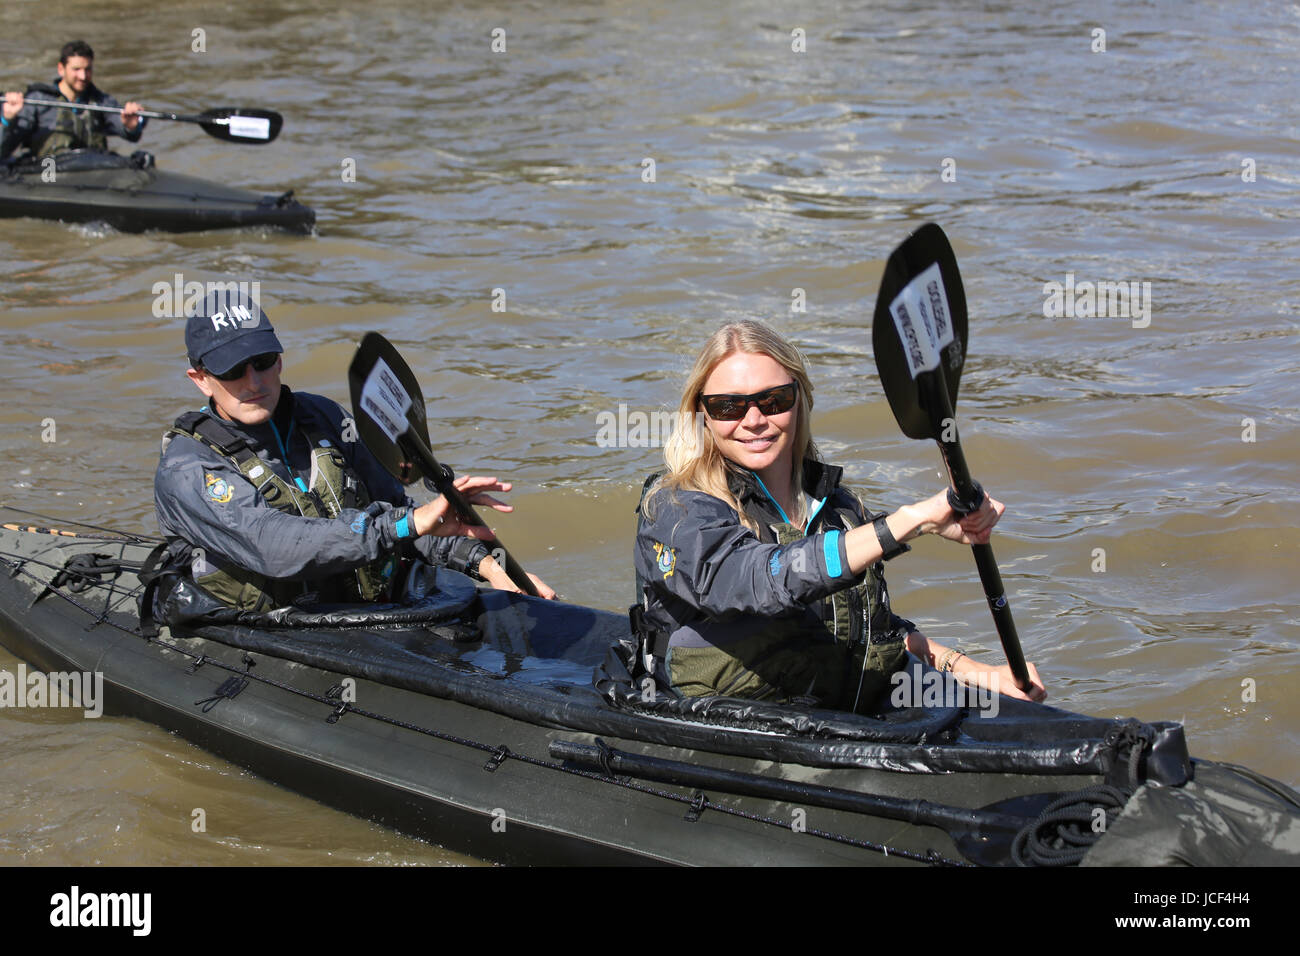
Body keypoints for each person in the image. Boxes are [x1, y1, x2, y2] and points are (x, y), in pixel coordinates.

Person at [634, 320, 1045, 713]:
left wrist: (980, 674)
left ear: (800, 400)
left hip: (827, 718)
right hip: (713, 727)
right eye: (728, 407)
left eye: (773, 400)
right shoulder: (675, 508)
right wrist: (909, 522)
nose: (754, 419)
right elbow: (756, 580)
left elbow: (872, 632)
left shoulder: (839, 509)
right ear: (701, 414)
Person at [154, 288, 554, 611]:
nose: (253, 381)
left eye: (262, 361)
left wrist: (489, 566)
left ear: (279, 361)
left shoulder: (324, 418)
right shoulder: (188, 466)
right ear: (201, 379)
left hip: (360, 617)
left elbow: (405, 515)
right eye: (231, 370)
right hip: (263, 635)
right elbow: (273, 547)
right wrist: (405, 524)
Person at [1, 40, 145, 161]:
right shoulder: (38, 100)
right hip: (48, 175)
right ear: (61, 69)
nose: (83, 76)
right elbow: (4, 149)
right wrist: (7, 120)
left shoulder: (101, 101)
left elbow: (129, 133)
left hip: (90, 174)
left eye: (87, 69)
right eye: (76, 69)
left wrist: (131, 126)